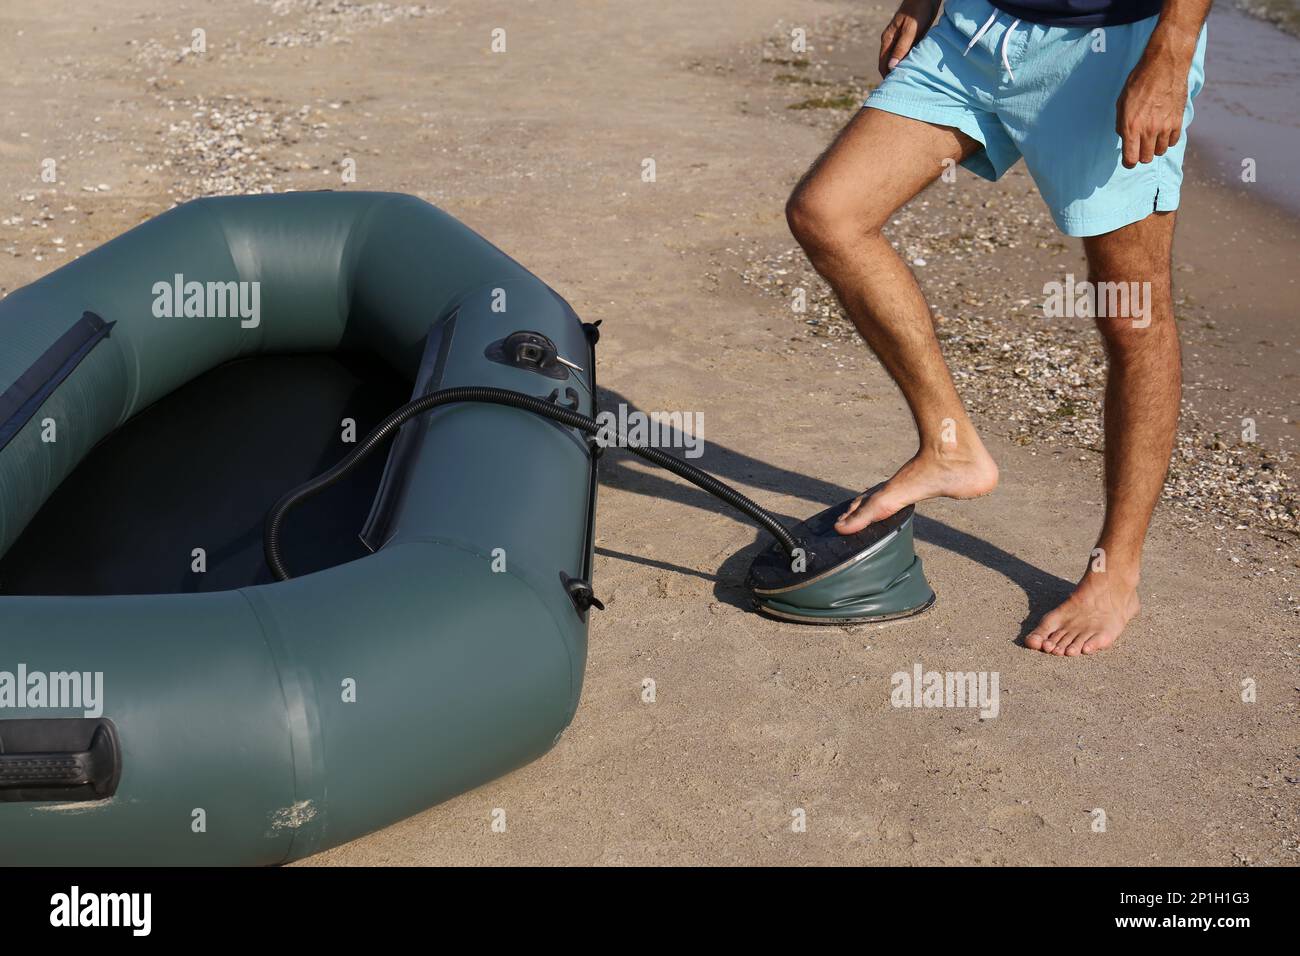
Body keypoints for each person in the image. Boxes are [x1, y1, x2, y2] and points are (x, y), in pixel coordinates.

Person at [785, 0, 1211, 655]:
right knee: (828, 213)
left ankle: (1116, 574)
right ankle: (949, 447)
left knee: (1132, 317)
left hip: (1111, 45)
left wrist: (1173, 47)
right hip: (980, 28)